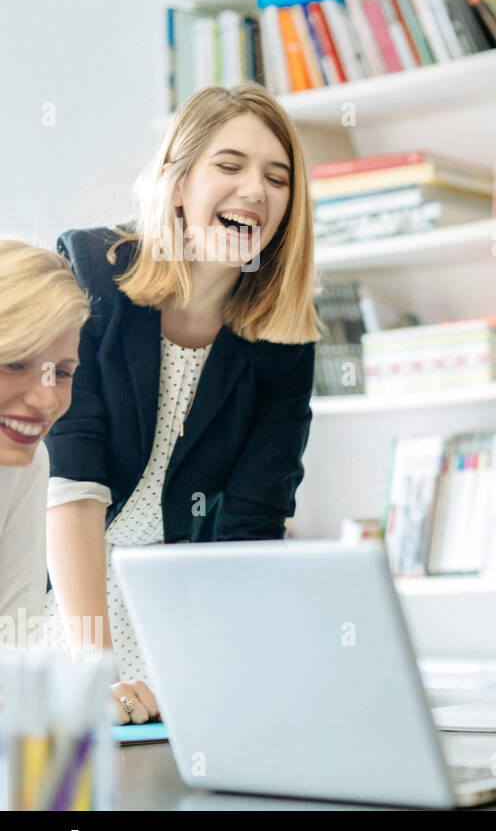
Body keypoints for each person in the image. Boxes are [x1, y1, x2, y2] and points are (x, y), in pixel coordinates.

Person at [43, 84, 319, 725]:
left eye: (277, 178)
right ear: (176, 184)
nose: (255, 189)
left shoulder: (284, 341)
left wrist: (218, 669)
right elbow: (71, 485)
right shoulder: (91, 271)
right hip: (61, 594)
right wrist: (94, 668)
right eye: (229, 165)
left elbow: (252, 526)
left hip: (177, 613)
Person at [0, 242, 89, 646]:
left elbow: (12, 648)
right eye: (15, 362)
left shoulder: (27, 463)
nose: (47, 398)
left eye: (63, 373)